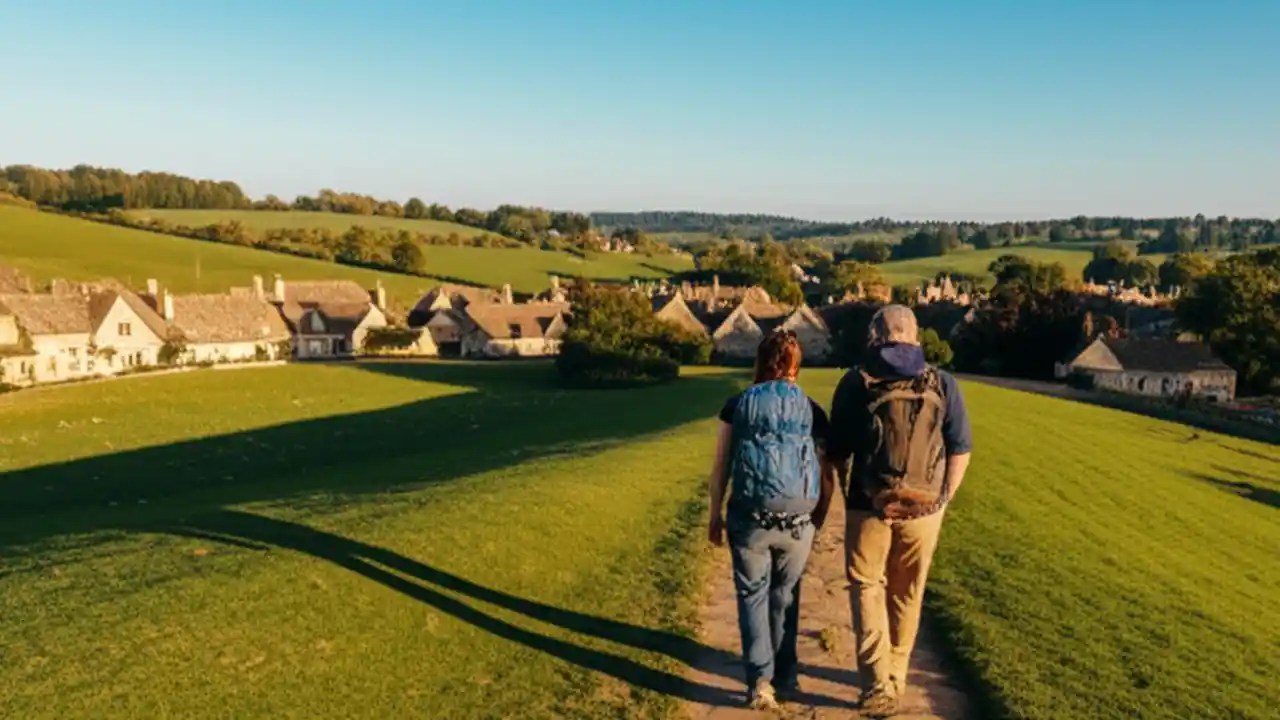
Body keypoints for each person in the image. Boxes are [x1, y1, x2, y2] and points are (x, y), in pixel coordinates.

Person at [826, 305, 972, 717]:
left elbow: (837, 451)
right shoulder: (943, 383)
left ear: (875, 337)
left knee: (866, 586)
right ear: (915, 336)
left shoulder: (857, 381)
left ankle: (876, 684)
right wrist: (944, 497)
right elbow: (960, 448)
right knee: (908, 592)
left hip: (868, 503)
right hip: (924, 509)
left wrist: (845, 493)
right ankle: (898, 675)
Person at [707, 330, 837, 710]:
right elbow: (825, 472)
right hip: (798, 521)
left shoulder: (737, 405)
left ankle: (759, 683)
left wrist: (715, 515)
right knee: (787, 595)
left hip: (749, 518)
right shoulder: (812, 410)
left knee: (752, 595)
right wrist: (818, 518)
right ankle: (787, 675)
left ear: (760, 362)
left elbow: (720, 467)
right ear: (796, 365)